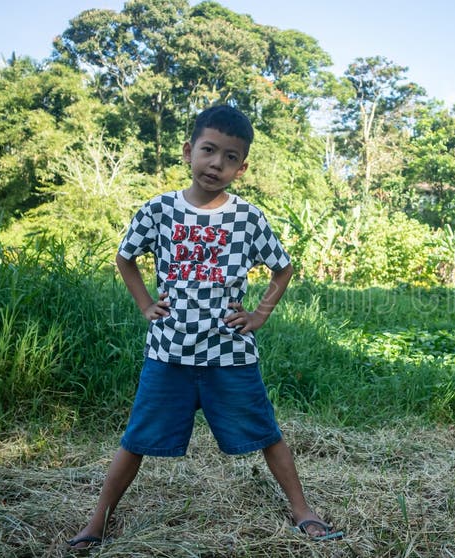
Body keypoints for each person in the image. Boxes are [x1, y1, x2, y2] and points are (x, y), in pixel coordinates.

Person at [67, 104, 342, 550]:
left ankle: (303, 511)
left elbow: (283, 269)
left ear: (242, 167)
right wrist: (145, 304)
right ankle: (97, 521)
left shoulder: (248, 218)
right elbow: (125, 256)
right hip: (169, 351)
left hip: (229, 354)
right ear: (188, 151)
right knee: (136, 437)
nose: (217, 163)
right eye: (209, 150)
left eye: (230, 157)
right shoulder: (159, 210)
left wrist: (259, 315)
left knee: (268, 433)